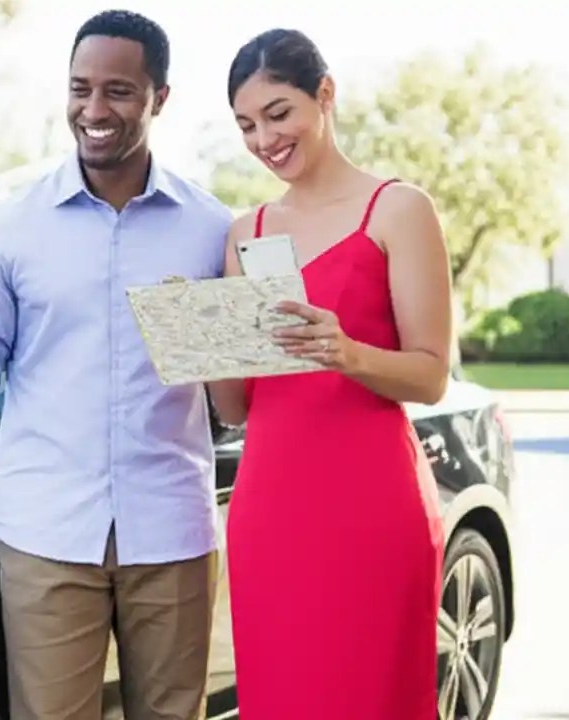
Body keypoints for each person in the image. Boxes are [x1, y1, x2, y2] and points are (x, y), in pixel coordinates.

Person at [0, 9, 231, 720]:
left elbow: (237, 392)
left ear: (160, 98)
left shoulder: (210, 229)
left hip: (172, 527)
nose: (94, 110)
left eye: (119, 91)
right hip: (47, 533)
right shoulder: (10, 223)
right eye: (80, 88)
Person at [208, 28, 450, 719]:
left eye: (278, 114)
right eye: (246, 125)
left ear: (325, 95)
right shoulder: (244, 231)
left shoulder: (398, 209)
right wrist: (200, 344)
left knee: (373, 696)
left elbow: (430, 376)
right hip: (270, 511)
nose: (263, 141)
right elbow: (237, 408)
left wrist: (348, 353)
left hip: (373, 507)